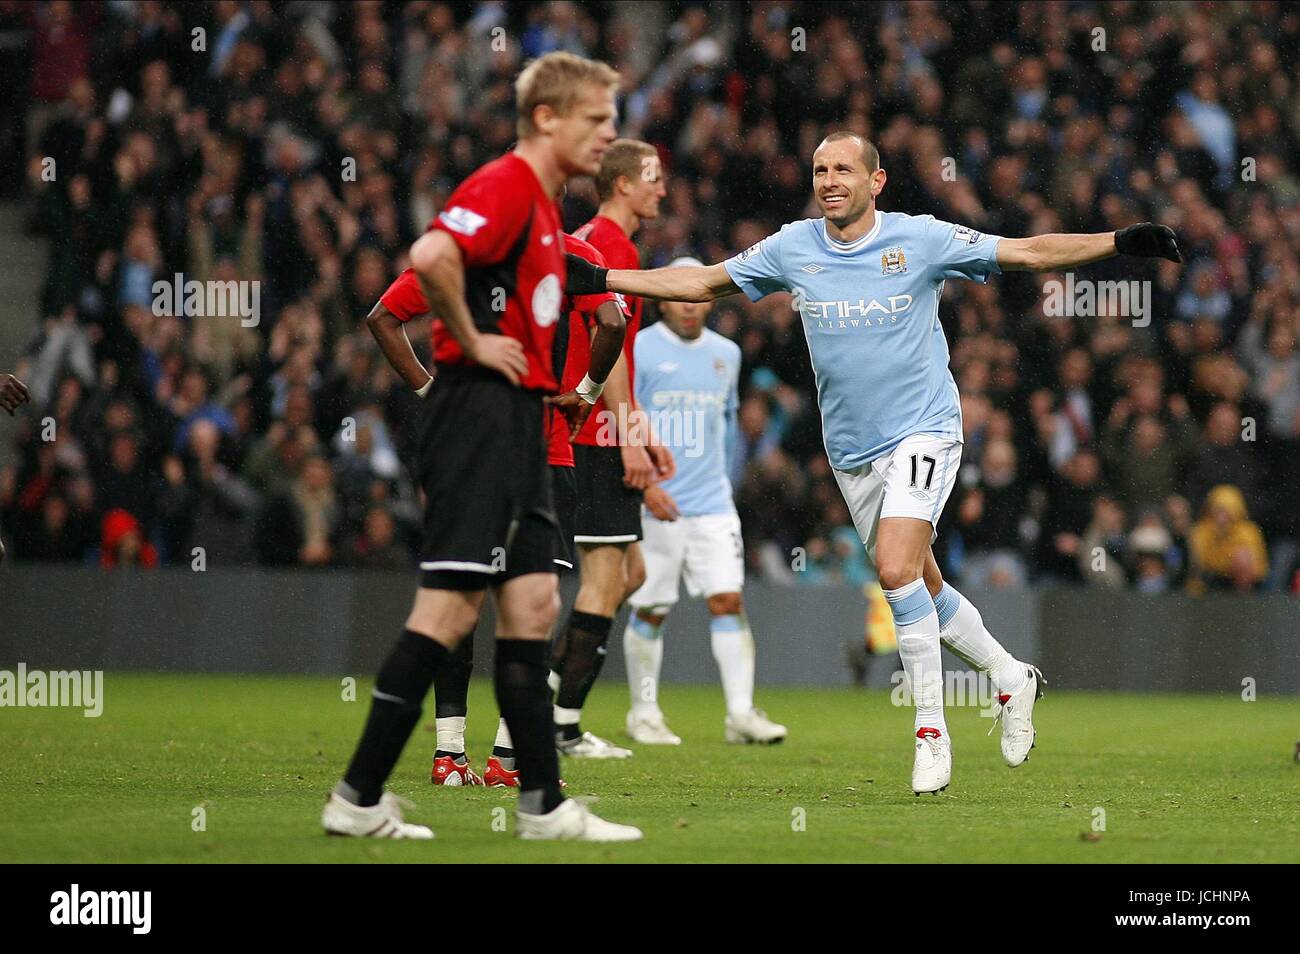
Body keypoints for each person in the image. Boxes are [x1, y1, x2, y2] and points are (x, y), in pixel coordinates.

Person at [566, 130, 1182, 794]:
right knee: (924, 585)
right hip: (852, 453)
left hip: (925, 431)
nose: (829, 179)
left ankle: (930, 733)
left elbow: (1029, 252)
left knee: (892, 569)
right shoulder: (793, 246)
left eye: (843, 169)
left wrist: (1116, 243)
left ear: (874, 181)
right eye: (819, 169)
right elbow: (699, 280)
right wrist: (603, 278)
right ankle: (1010, 677)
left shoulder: (919, 240)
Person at [321, 51, 640, 841]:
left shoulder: (540, 210)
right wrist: (466, 344)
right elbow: (430, 259)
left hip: (525, 425)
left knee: (533, 603)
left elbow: (611, 305)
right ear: (546, 118)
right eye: (597, 119)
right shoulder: (501, 187)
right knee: (450, 607)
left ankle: (542, 805)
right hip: (479, 420)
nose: (609, 134)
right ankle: (358, 799)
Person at [367, 233, 627, 788]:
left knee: (457, 603)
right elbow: (612, 322)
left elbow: (384, 317)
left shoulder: (459, 249)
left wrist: (430, 393)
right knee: (532, 608)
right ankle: (507, 758)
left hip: (468, 452)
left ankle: (447, 755)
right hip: (544, 453)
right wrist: (585, 390)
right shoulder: (573, 254)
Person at [623, 259, 787, 745]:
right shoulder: (639, 349)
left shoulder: (727, 354)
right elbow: (623, 418)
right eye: (677, 297)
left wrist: (724, 485)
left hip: (713, 504)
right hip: (659, 504)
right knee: (652, 608)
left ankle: (740, 714)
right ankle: (644, 713)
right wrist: (646, 488)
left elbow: (726, 426)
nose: (689, 307)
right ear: (660, 300)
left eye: (696, 298)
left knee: (728, 601)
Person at [548, 138, 675, 759]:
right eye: (652, 177)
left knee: (632, 572)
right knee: (607, 577)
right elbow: (612, 343)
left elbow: (615, 351)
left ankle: (551, 703)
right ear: (622, 184)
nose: (662, 188)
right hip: (592, 429)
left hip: (598, 422)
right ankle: (560, 724)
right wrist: (629, 437)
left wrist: (641, 430)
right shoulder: (610, 246)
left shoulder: (598, 239)